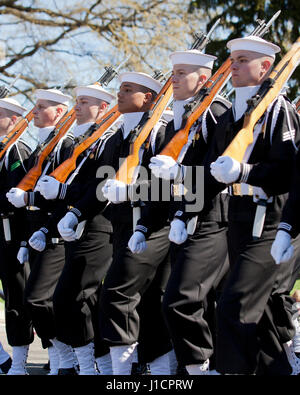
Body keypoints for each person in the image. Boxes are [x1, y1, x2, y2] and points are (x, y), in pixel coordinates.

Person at [168, 35, 300, 375]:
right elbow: (212, 175)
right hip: (239, 220)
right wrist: (185, 210)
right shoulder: (233, 116)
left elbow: (288, 172)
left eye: (242, 59)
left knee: (233, 308)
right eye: (234, 59)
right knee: (263, 318)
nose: (234, 66)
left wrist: (245, 171)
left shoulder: (276, 109)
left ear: (266, 66)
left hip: (267, 221)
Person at [56, 71, 174, 374]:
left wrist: (134, 191)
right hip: (123, 227)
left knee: (117, 294)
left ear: (147, 98)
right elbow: (100, 187)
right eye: (120, 89)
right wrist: (76, 212)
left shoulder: (160, 133)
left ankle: (121, 374)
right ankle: (154, 371)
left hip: (153, 225)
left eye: (128, 89)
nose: (119, 94)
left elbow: (178, 187)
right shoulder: (116, 138)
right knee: (146, 302)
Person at [128, 49, 231, 374]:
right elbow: (162, 182)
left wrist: (185, 206)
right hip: (186, 219)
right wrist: (146, 224)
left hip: (214, 217)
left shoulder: (216, 112)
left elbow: (216, 171)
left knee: (187, 301)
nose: (173, 77)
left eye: (182, 72)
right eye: (173, 70)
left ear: (203, 79)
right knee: (190, 302)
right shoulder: (180, 119)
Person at [34, 83, 116, 375]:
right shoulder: (82, 142)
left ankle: (91, 366)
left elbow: (98, 186)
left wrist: (66, 194)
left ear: (103, 108)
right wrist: (47, 227)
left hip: (98, 226)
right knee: (85, 300)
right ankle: (90, 366)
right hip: (76, 228)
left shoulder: (106, 141)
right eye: (77, 101)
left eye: (84, 102)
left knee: (71, 298)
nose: (77, 106)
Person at [6, 88, 80, 375]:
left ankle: (73, 359)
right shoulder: (42, 147)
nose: (33, 112)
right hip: (36, 231)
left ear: (59, 112)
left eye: (41, 107)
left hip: (57, 232)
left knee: (41, 299)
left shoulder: (66, 146)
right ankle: (63, 360)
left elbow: (66, 194)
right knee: (39, 300)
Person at [0, 97, 33, 375]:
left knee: (17, 299)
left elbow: (17, 196)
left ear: (13, 120)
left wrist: (24, 240)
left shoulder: (17, 151)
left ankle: (19, 362)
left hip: (12, 234)